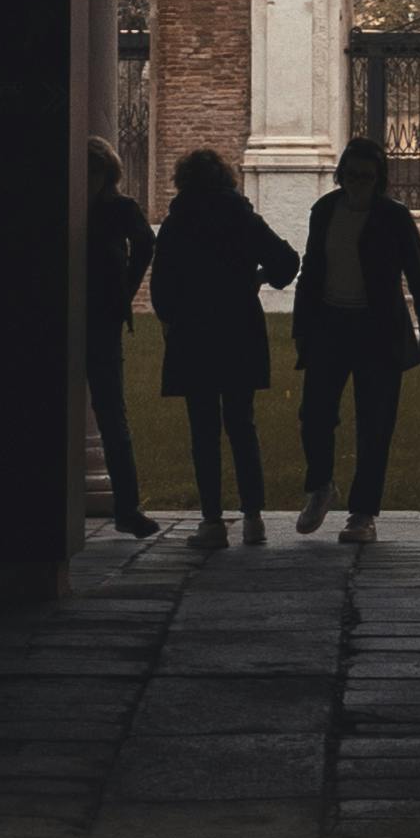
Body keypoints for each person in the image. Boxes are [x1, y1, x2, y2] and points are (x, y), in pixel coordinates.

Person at [288, 125, 420, 546]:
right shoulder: (324, 211)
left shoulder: (393, 217)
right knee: (314, 415)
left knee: (375, 425)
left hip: (378, 330)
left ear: (379, 180)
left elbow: (419, 278)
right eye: (351, 175)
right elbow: (311, 270)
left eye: (366, 177)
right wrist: (301, 328)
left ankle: (362, 514)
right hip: (330, 326)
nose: (358, 183)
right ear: (340, 175)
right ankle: (320, 486)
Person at [145, 142, 296, 551]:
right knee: (242, 425)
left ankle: (212, 521)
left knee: (204, 430)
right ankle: (253, 518)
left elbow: (161, 286)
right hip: (237, 328)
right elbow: (287, 261)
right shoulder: (241, 217)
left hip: (194, 332)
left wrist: (172, 320)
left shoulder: (178, 222)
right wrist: (258, 278)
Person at [81, 135, 157, 543]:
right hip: (79, 316)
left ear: (104, 173)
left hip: (101, 319)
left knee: (112, 414)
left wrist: (125, 288)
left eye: (92, 170)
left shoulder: (117, 207)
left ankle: (127, 507)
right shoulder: (85, 208)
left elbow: (147, 243)